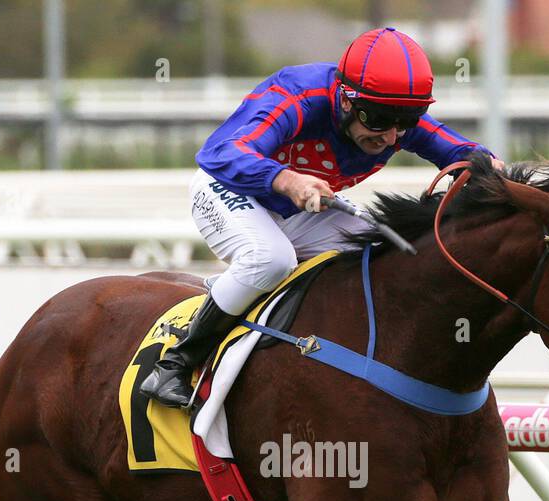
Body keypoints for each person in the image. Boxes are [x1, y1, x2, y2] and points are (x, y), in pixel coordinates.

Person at [140, 26, 504, 408]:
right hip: (228, 189)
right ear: (346, 100)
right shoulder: (299, 96)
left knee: (386, 250)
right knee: (271, 259)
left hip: (297, 208)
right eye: (379, 120)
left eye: (407, 122)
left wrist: (493, 169)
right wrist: (284, 178)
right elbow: (221, 152)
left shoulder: (389, 117)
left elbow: (464, 153)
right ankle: (175, 364)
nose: (392, 138)